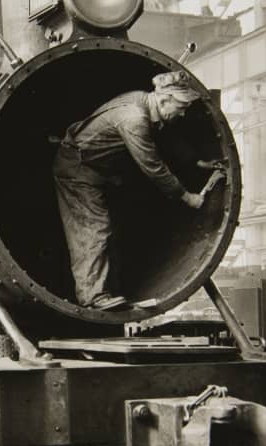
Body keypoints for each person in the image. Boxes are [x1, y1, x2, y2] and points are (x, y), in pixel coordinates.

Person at [52, 70, 223, 311]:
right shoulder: (134, 119)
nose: (183, 113)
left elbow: (165, 135)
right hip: (78, 172)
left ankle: (108, 290)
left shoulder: (145, 102)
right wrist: (186, 197)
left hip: (101, 172)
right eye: (181, 107)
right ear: (164, 100)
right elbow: (153, 166)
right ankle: (92, 297)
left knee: (110, 228)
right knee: (94, 228)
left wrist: (195, 162)